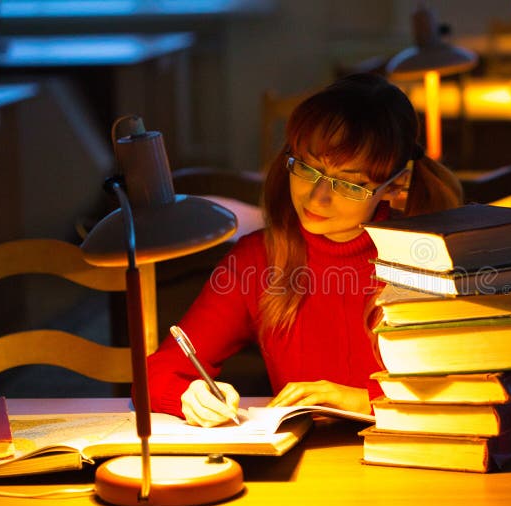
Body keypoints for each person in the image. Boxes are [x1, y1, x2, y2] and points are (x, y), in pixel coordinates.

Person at [146, 73, 462, 427]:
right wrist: (189, 396)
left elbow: (469, 389)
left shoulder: (429, 259)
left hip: (417, 453)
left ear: (394, 185)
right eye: (308, 169)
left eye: (348, 184)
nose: (318, 197)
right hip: (305, 456)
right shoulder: (257, 261)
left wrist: (359, 401)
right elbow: (158, 374)